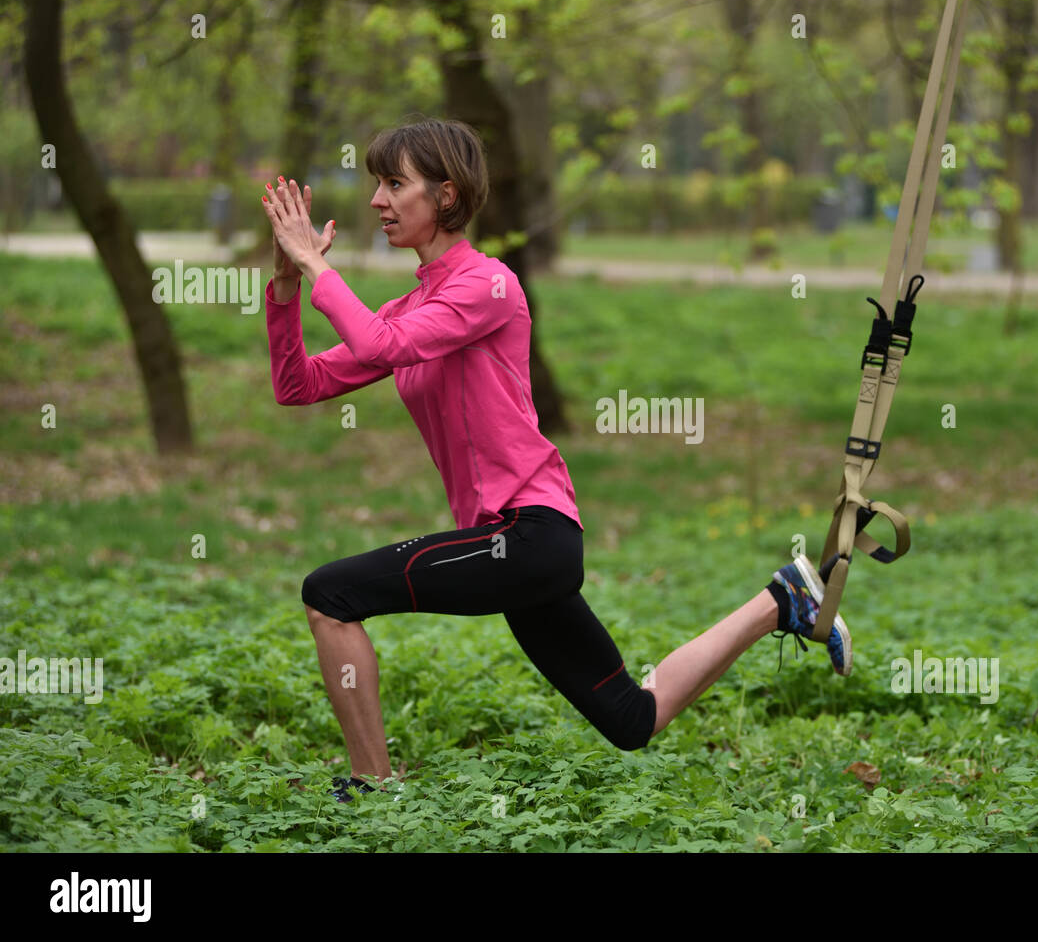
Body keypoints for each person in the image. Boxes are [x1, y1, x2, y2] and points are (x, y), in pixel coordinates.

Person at [259, 117, 851, 802]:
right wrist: (285, 283)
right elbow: (297, 384)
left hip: (526, 535)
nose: (377, 201)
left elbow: (381, 347)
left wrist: (316, 262)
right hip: (512, 547)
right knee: (632, 717)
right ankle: (780, 601)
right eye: (377, 184)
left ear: (445, 196)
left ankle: (372, 789)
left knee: (330, 594)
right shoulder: (412, 304)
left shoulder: (489, 286)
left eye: (395, 184)